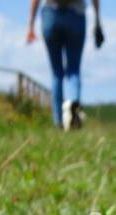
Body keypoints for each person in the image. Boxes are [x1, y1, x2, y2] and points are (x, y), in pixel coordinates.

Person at [26, 0, 102, 130]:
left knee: (57, 73)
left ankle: (59, 121)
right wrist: (97, 20)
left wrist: (31, 25)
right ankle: (73, 110)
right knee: (74, 71)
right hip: (76, 15)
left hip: (51, 15)